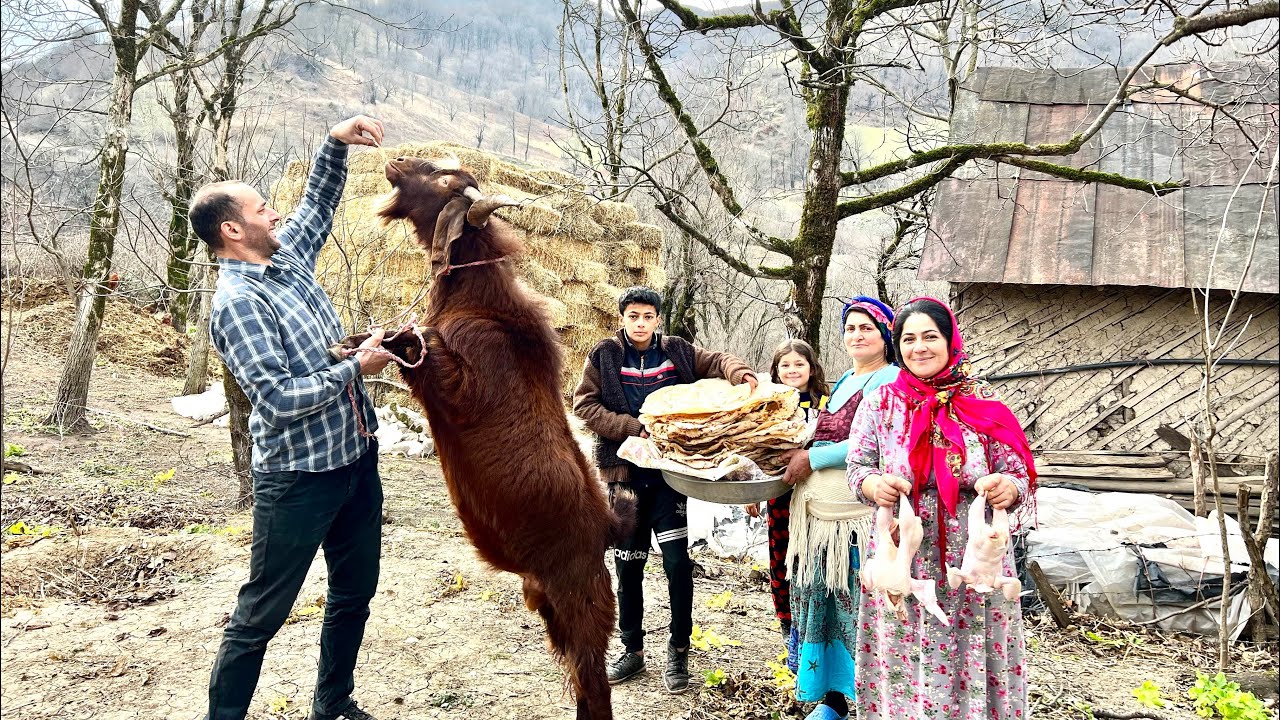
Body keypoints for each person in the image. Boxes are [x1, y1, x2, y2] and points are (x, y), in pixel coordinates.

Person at [192, 115, 392, 720]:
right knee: (261, 615)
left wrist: (334, 141)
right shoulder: (239, 302)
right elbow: (277, 401)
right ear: (233, 230)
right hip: (300, 480)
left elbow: (317, 204)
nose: (274, 213)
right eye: (260, 209)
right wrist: (359, 366)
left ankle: (332, 705)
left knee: (354, 592)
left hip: (356, 458)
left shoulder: (287, 260)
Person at [847, 296, 1037, 720]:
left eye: (930, 337)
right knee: (903, 643)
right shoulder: (881, 403)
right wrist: (875, 484)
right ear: (897, 347)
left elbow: (1017, 470)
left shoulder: (983, 401)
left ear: (950, 341)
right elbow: (857, 467)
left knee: (971, 642)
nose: (920, 348)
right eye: (909, 339)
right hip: (904, 551)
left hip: (973, 556)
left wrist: (1007, 487)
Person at [572, 286, 758, 694]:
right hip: (624, 477)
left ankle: (678, 651)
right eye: (633, 316)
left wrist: (741, 373)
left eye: (648, 316)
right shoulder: (604, 355)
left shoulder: (676, 350)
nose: (640, 323)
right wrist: (631, 427)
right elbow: (583, 405)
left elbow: (717, 360)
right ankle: (632, 650)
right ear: (622, 317)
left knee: (676, 563)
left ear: (658, 319)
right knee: (628, 565)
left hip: (669, 477)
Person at [777, 297, 900, 720]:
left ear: (885, 335)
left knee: (855, 604)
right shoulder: (848, 376)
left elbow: (870, 443)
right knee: (822, 600)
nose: (856, 335)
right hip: (818, 521)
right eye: (850, 328)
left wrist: (813, 459)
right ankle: (833, 700)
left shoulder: (890, 381)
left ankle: (866, 697)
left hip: (854, 519)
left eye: (867, 328)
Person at [744, 340, 829, 660]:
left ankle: (814, 626)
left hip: (817, 495)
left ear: (811, 368)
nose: (793, 371)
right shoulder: (767, 405)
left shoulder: (827, 404)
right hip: (778, 492)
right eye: (786, 366)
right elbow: (754, 448)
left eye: (799, 364)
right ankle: (786, 625)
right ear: (776, 371)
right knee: (780, 559)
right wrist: (750, 491)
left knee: (812, 559)